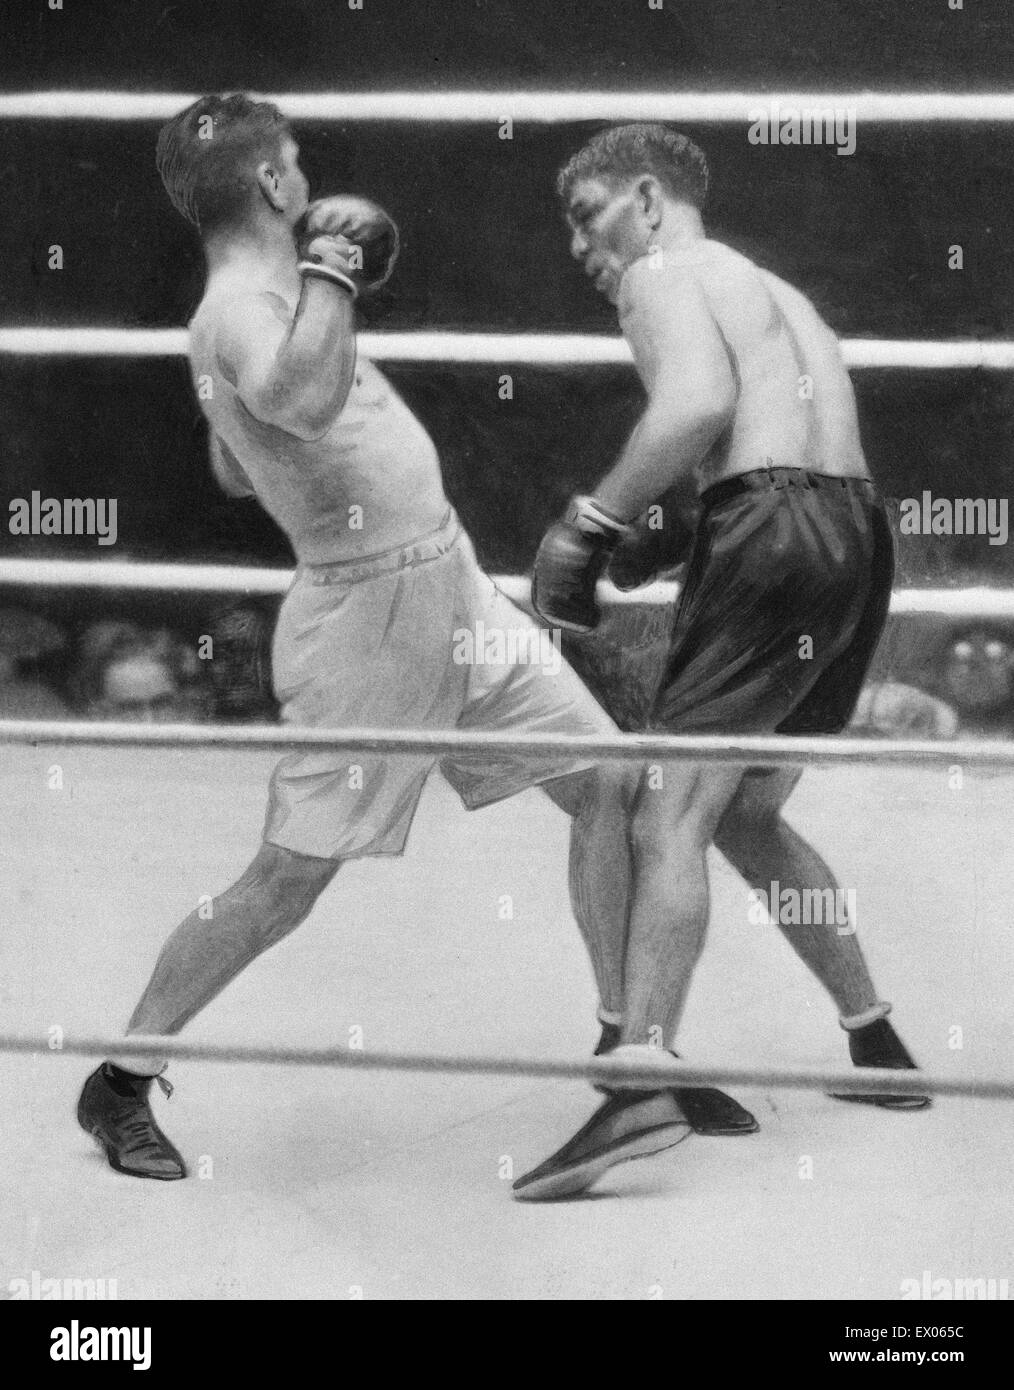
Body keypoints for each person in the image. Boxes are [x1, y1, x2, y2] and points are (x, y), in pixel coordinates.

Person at [77, 95, 746, 1182]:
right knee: (286, 879)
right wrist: (336, 271)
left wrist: (311, 368)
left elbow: (233, 464)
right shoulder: (249, 304)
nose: (304, 180)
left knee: (609, 781)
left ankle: (629, 1053)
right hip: (370, 622)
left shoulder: (250, 306)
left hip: (451, 588)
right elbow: (294, 397)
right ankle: (116, 1083)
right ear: (274, 187)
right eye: (293, 164)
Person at [520, 124, 929, 1200]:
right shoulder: (774, 289)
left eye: (589, 214)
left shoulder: (660, 271)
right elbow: (775, 438)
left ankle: (640, 1076)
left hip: (774, 531)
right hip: (856, 539)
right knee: (743, 812)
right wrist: (673, 532)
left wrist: (593, 525)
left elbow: (697, 403)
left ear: (647, 200)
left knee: (666, 810)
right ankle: (876, 1040)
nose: (581, 246)